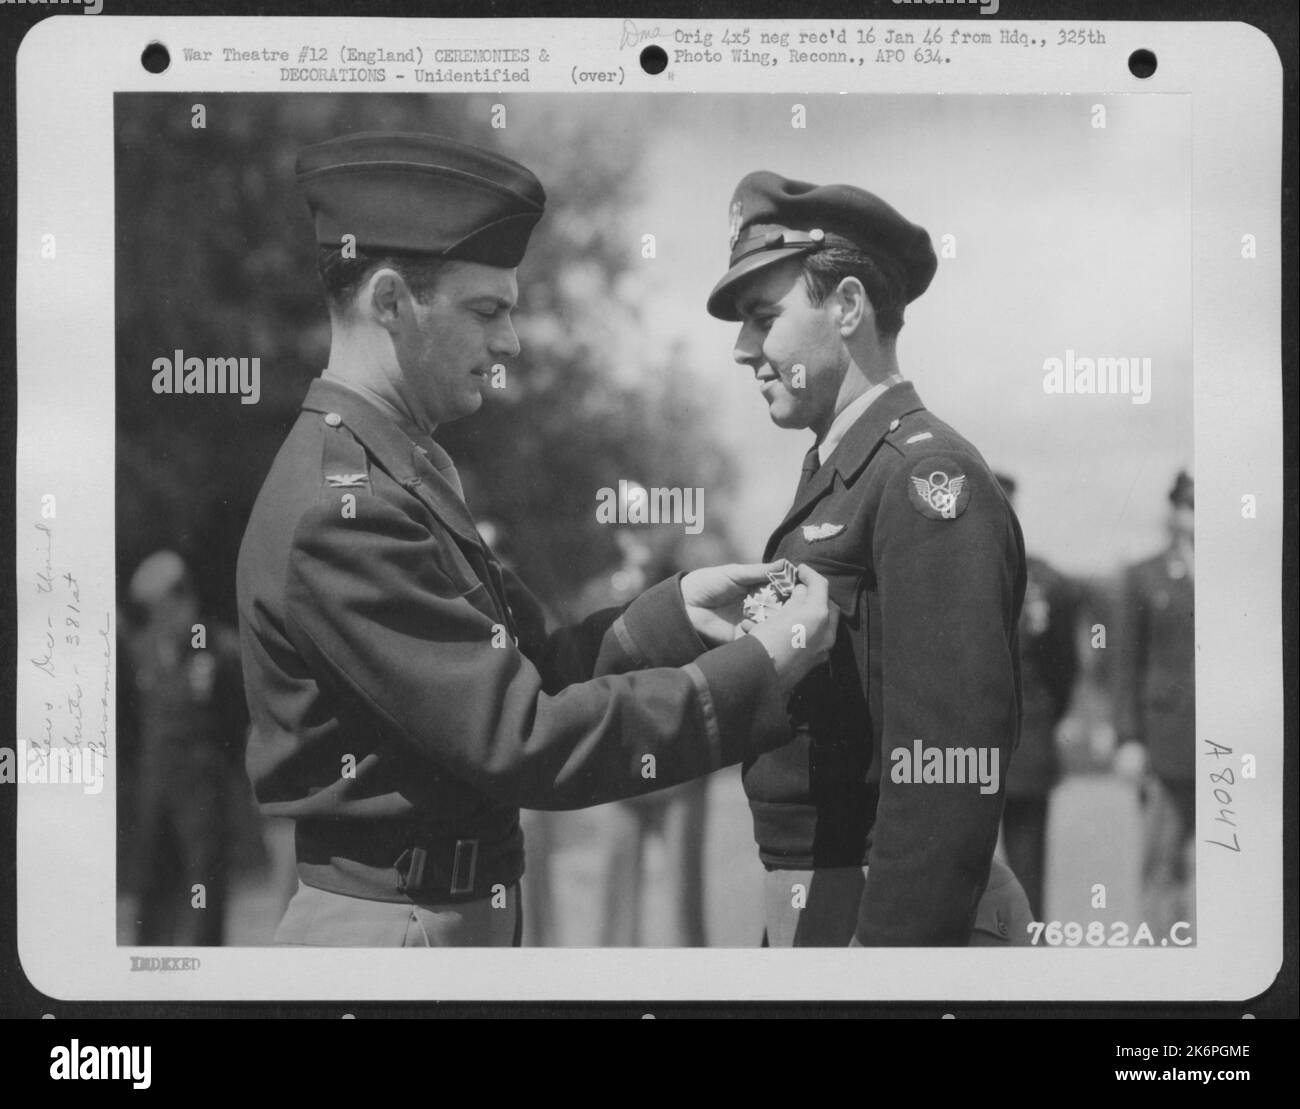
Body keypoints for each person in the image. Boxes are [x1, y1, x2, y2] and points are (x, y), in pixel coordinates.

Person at [236, 133, 837, 947]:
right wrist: (756, 670)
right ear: (389, 302)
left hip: (437, 919)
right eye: (488, 310)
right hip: (393, 936)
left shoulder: (402, 468)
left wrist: (673, 616)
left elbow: (533, 666)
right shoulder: (342, 508)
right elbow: (523, 736)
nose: (511, 342)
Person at [706, 171, 1031, 946]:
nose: (744, 349)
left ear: (848, 306)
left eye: (763, 317)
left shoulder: (923, 478)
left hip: (884, 913)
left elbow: (947, 765)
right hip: (819, 899)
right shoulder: (844, 469)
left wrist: (887, 964)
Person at [123, 550, 249, 945]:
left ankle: (202, 980)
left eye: (158, 608)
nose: (155, 618)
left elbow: (236, 724)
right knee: (151, 890)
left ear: (182, 599)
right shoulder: (142, 650)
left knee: (203, 892)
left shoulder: (220, 649)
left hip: (204, 795)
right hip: (156, 789)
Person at [1112, 470, 1195, 936]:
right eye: (1192, 506)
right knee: (1164, 865)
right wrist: (1128, 737)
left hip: (1230, 747)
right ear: (1177, 512)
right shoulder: (1145, 577)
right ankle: (1170, 975)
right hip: (1168, 746)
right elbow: (1126, 665)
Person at [994, 473, 1080, 920]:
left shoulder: (1046, 582)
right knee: (957, 879)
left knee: (1028, 881)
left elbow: (1064, 668)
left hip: (1026, 746)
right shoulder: (942, 574)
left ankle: (1029, 973)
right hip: (956, 757)